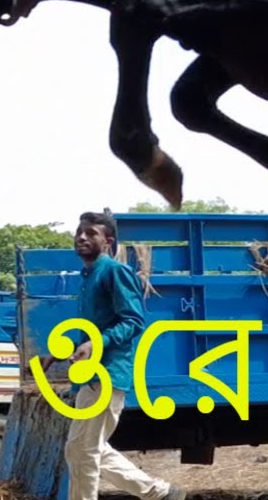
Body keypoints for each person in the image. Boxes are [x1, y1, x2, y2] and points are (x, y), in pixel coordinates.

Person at [39, 210, 184, 500]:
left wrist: (95, 344)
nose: (81, 237)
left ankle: (158, 493)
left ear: (108, 241)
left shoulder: (114, 271)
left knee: (84, 451)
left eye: (91, 233)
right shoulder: (89, 276)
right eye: (79, 231)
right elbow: (90, 329)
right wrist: (57, 353)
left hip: (107, 374)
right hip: (89, 376)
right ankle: (159, 493)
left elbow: (133, 321)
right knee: (81, 449)